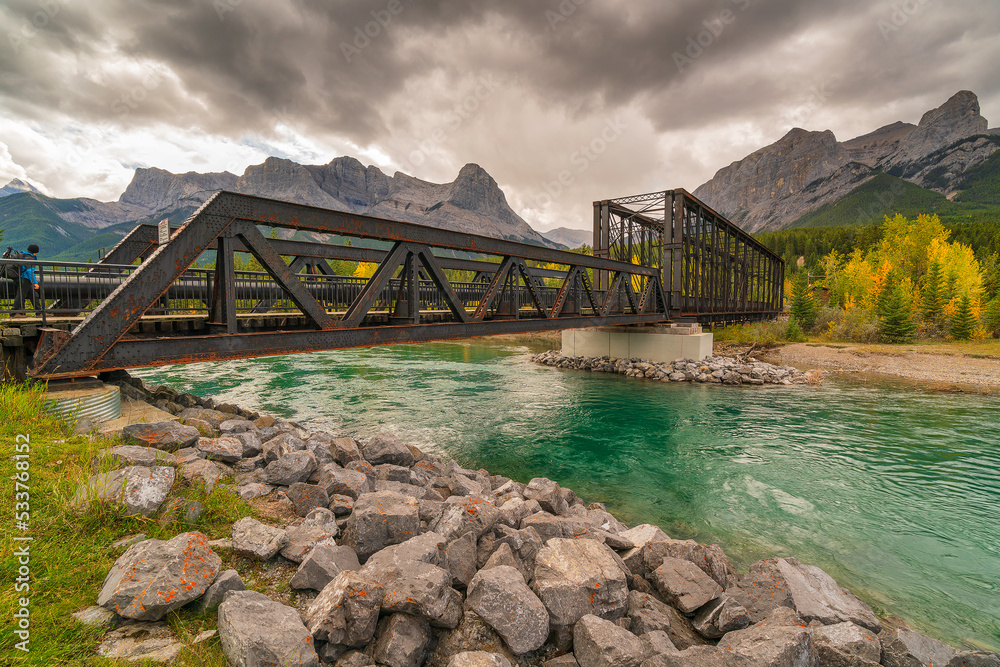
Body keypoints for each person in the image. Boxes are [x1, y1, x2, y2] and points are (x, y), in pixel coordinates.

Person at [12, 244, 40, 314]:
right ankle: (14, 313)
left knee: (34, 295)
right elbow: (29, 271)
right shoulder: (30, 258)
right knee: (21, 296)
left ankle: (39, 312)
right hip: (25, 279)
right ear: (35, 252)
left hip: (21, 278)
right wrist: (35, 282)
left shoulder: (24, 256)